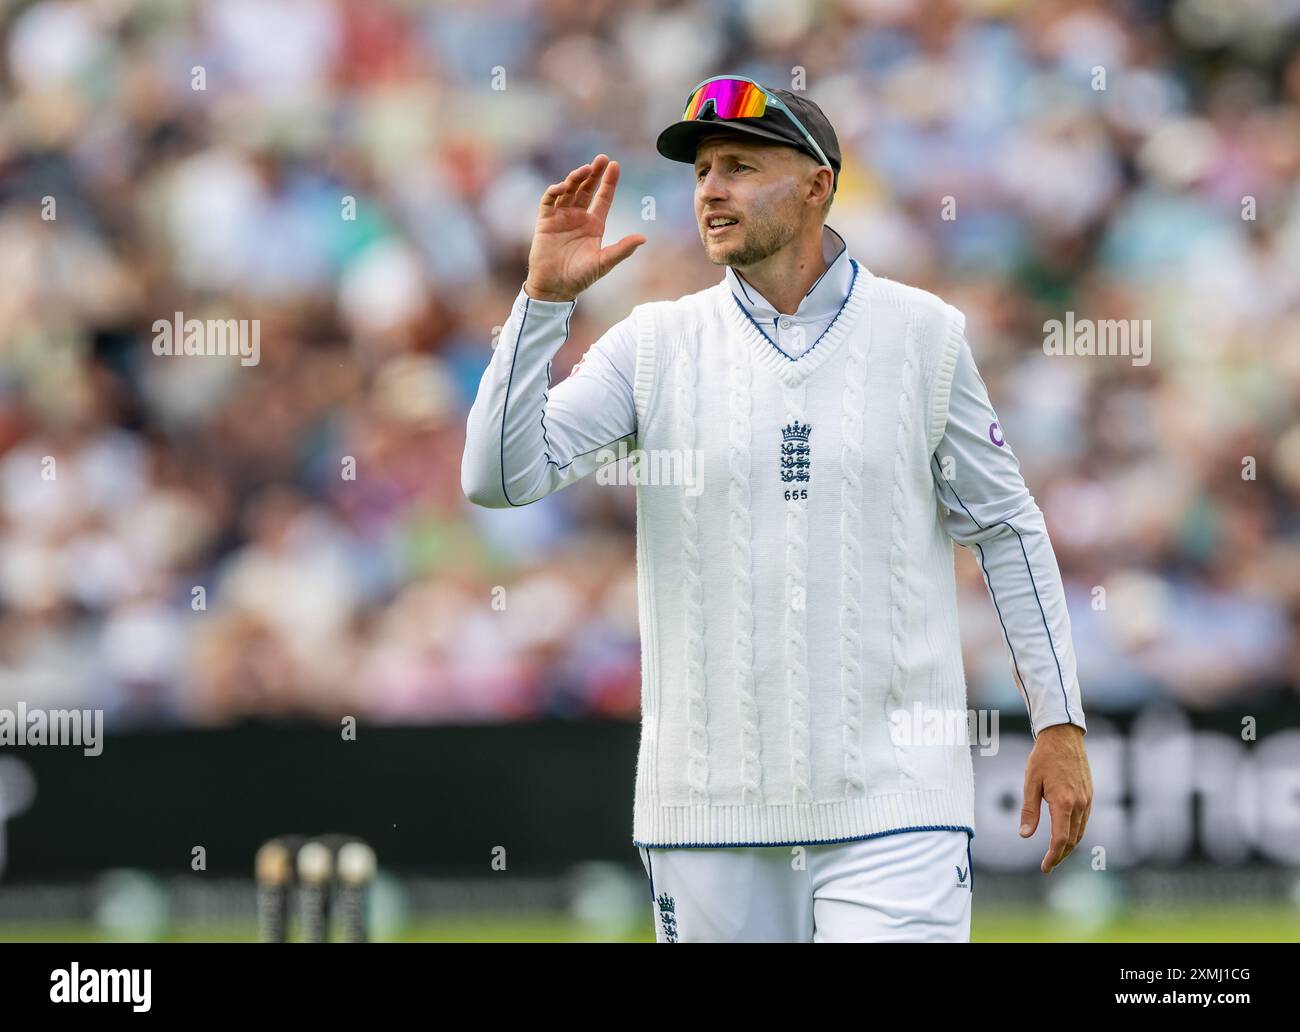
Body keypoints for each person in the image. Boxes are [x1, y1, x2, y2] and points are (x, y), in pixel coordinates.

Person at [462, 74, 1092, 942]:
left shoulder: (923, 335)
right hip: (706, 811)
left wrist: (1059, 722)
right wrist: (542, 305)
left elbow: (1008, 532)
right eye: (702, 172)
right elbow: (497, 477)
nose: (711, 189)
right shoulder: (654, 344)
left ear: (816, 183)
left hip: (896, 805)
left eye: (739, 166)